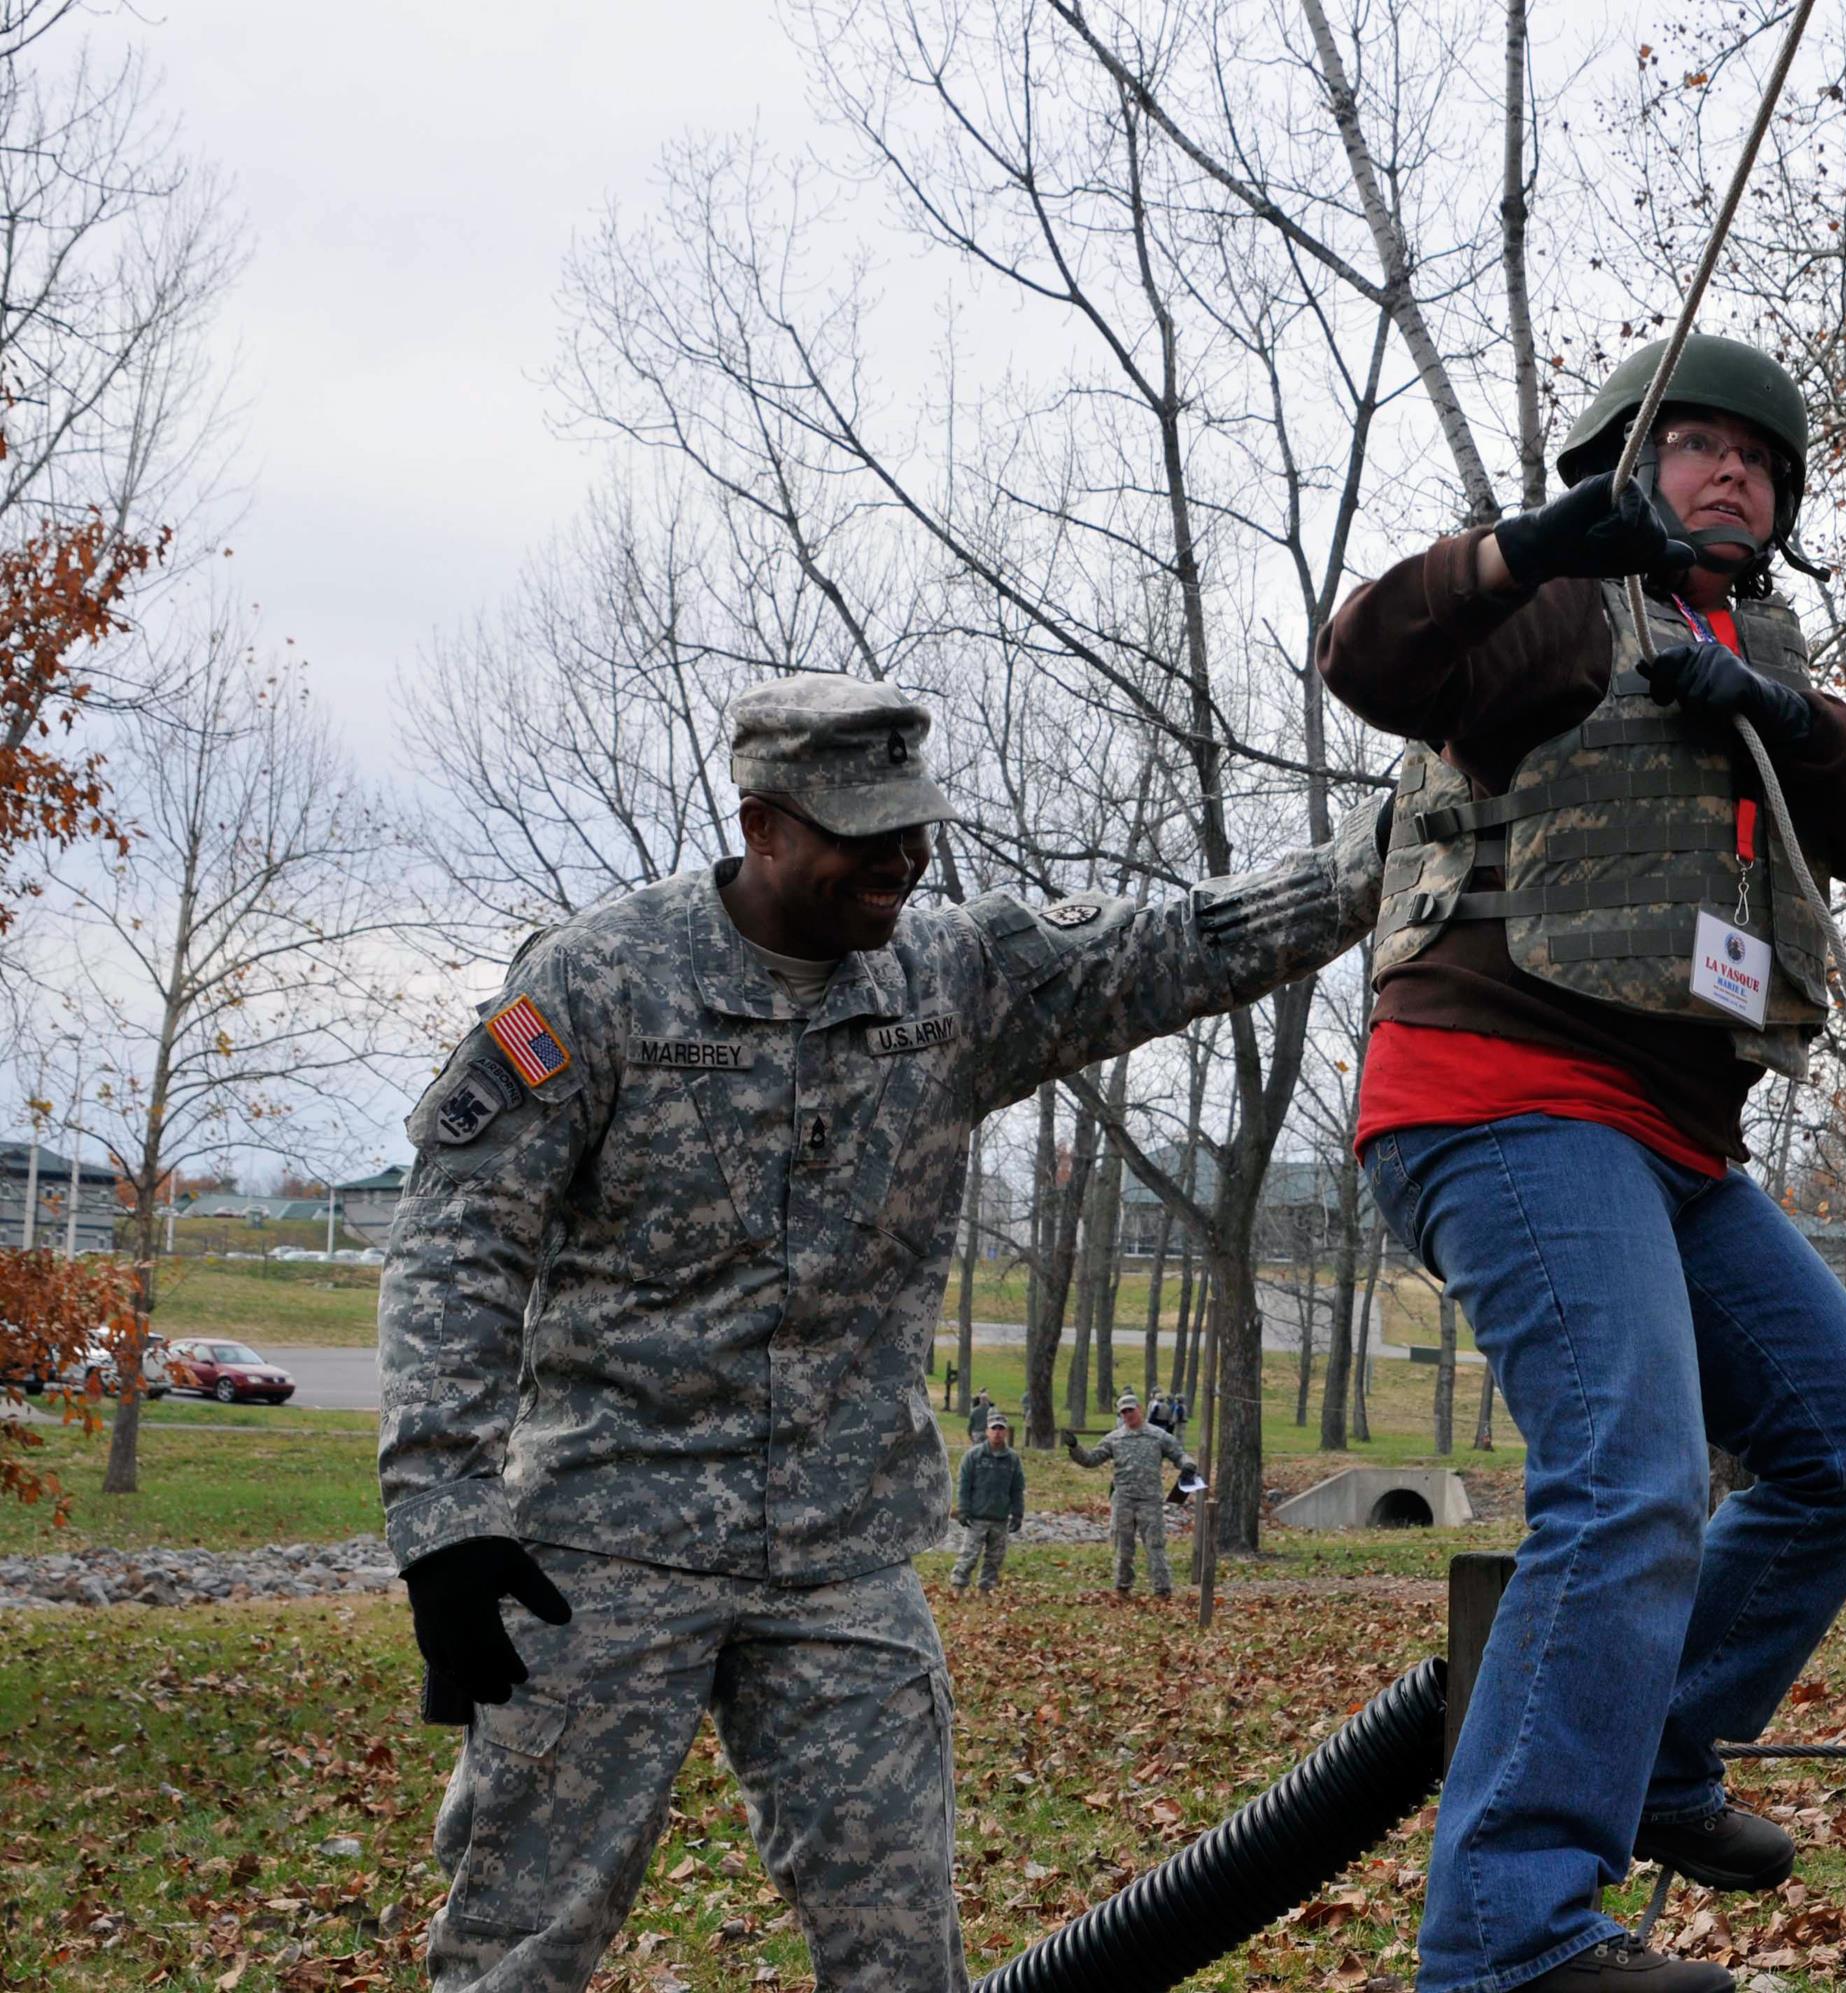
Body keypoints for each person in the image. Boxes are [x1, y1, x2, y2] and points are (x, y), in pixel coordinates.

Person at [378, 677, 1385, 1992]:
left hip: (841, 1556)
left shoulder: (954, 978)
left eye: (915, 822)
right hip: (606, 1542)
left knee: (904, 1951)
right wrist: (446, 1523)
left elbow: (1187, 943)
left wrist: (1391, 852)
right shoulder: (601, 981)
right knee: (517, 1946)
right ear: (765, 826)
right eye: (865, 829)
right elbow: (462, 1234)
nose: (904, 857)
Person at [1318, 333, 1846, 1993]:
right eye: (1692, 443)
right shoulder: (1550, 605)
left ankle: (1654, 1743)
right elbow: (1370, 653)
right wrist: (1531, 545)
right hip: (1501, 1092)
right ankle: (1508, 1935)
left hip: (1673, 1138)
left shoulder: (1759, 653)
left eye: (1759, 454)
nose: (1730, 470)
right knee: (1631, 1473)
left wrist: (1787, 718)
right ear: (1621, 463)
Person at [1064, 1390, 1186, 1599]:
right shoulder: (1114, 1439)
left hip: (1150, 1499)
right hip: (1124, 1499)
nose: (1128, 1415)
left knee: (1155, 1546)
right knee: (1122, 1546)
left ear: (1140, 1409)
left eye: (1131, 1410)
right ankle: (1122, 1587)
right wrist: (1075, 1447)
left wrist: (1188, 1464)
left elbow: (1178, 1454)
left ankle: (1162, 1590)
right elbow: (1091, 1460)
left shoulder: (1158, 1436)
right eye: (1124, 1412)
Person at [952, 1415, 1023, 1591]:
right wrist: (963, 1509)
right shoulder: (973, 1456)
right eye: (994, 1429)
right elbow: (964, 1485)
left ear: (1006, 1432)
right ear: (987, 1432)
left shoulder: (1013, 1459)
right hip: (977, 1517)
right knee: (969, 1556)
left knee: (995, 1558)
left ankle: (986, 1589)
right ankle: (958, 1587)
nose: (997, 1433)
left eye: (1001, 1429)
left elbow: (1017, 1488)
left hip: (1000, 1518)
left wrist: (1018, 1513)